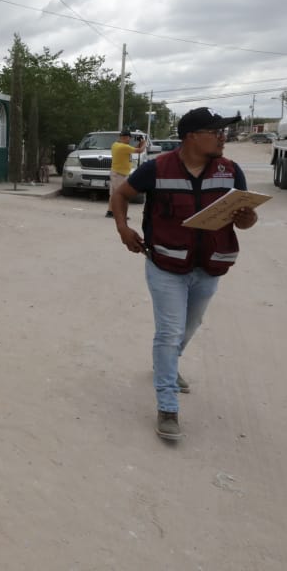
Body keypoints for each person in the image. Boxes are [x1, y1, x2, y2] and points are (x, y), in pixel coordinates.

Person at [110, 107, 258, 441]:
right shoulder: (157, 169)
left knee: (189, 328)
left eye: (223, 132)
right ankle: (167, 405)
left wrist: (247, 219)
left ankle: (168, 366)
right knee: (169, 331)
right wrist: (123, 228)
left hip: (209, 267)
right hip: (166, 265)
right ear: (192, 136)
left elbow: (244, 220)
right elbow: (120, 195)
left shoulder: (231, 171)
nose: (223, 137)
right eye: (215, 132)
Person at [106, 129, 146, 218]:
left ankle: (110, 211)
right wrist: (144, 142)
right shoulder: (124, 147)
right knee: (122, 194)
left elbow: (134, 149)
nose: (129, 140)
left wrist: (140, 143)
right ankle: (120, 214)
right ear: (124, 138)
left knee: (113, 193)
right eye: (128, 138)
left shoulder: (116, 145)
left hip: (116, 172)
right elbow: (140, 150)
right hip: (120, 174)